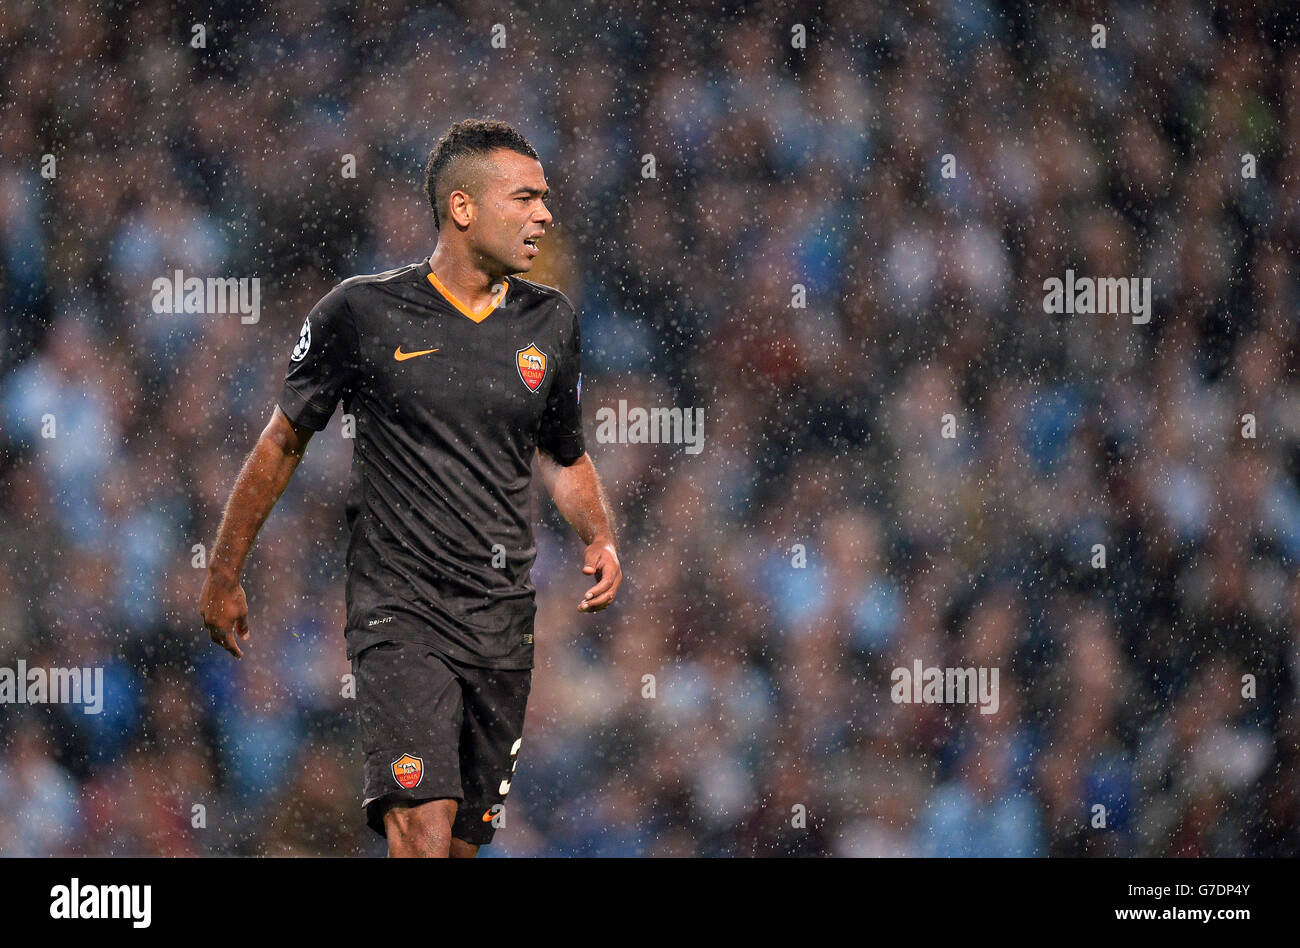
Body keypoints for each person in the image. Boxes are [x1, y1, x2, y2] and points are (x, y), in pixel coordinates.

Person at [199, 118, 622, 857]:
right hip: (401, 616)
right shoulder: (362, 313)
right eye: (525, 198)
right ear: (463, 208)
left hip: (501, 623)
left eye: (545, 199)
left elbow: (563, 455)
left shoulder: (550, 322)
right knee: (419, 828)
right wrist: (225, 570)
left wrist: (599, 535)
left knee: (458, 845)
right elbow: (282, 441)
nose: (545, 215)